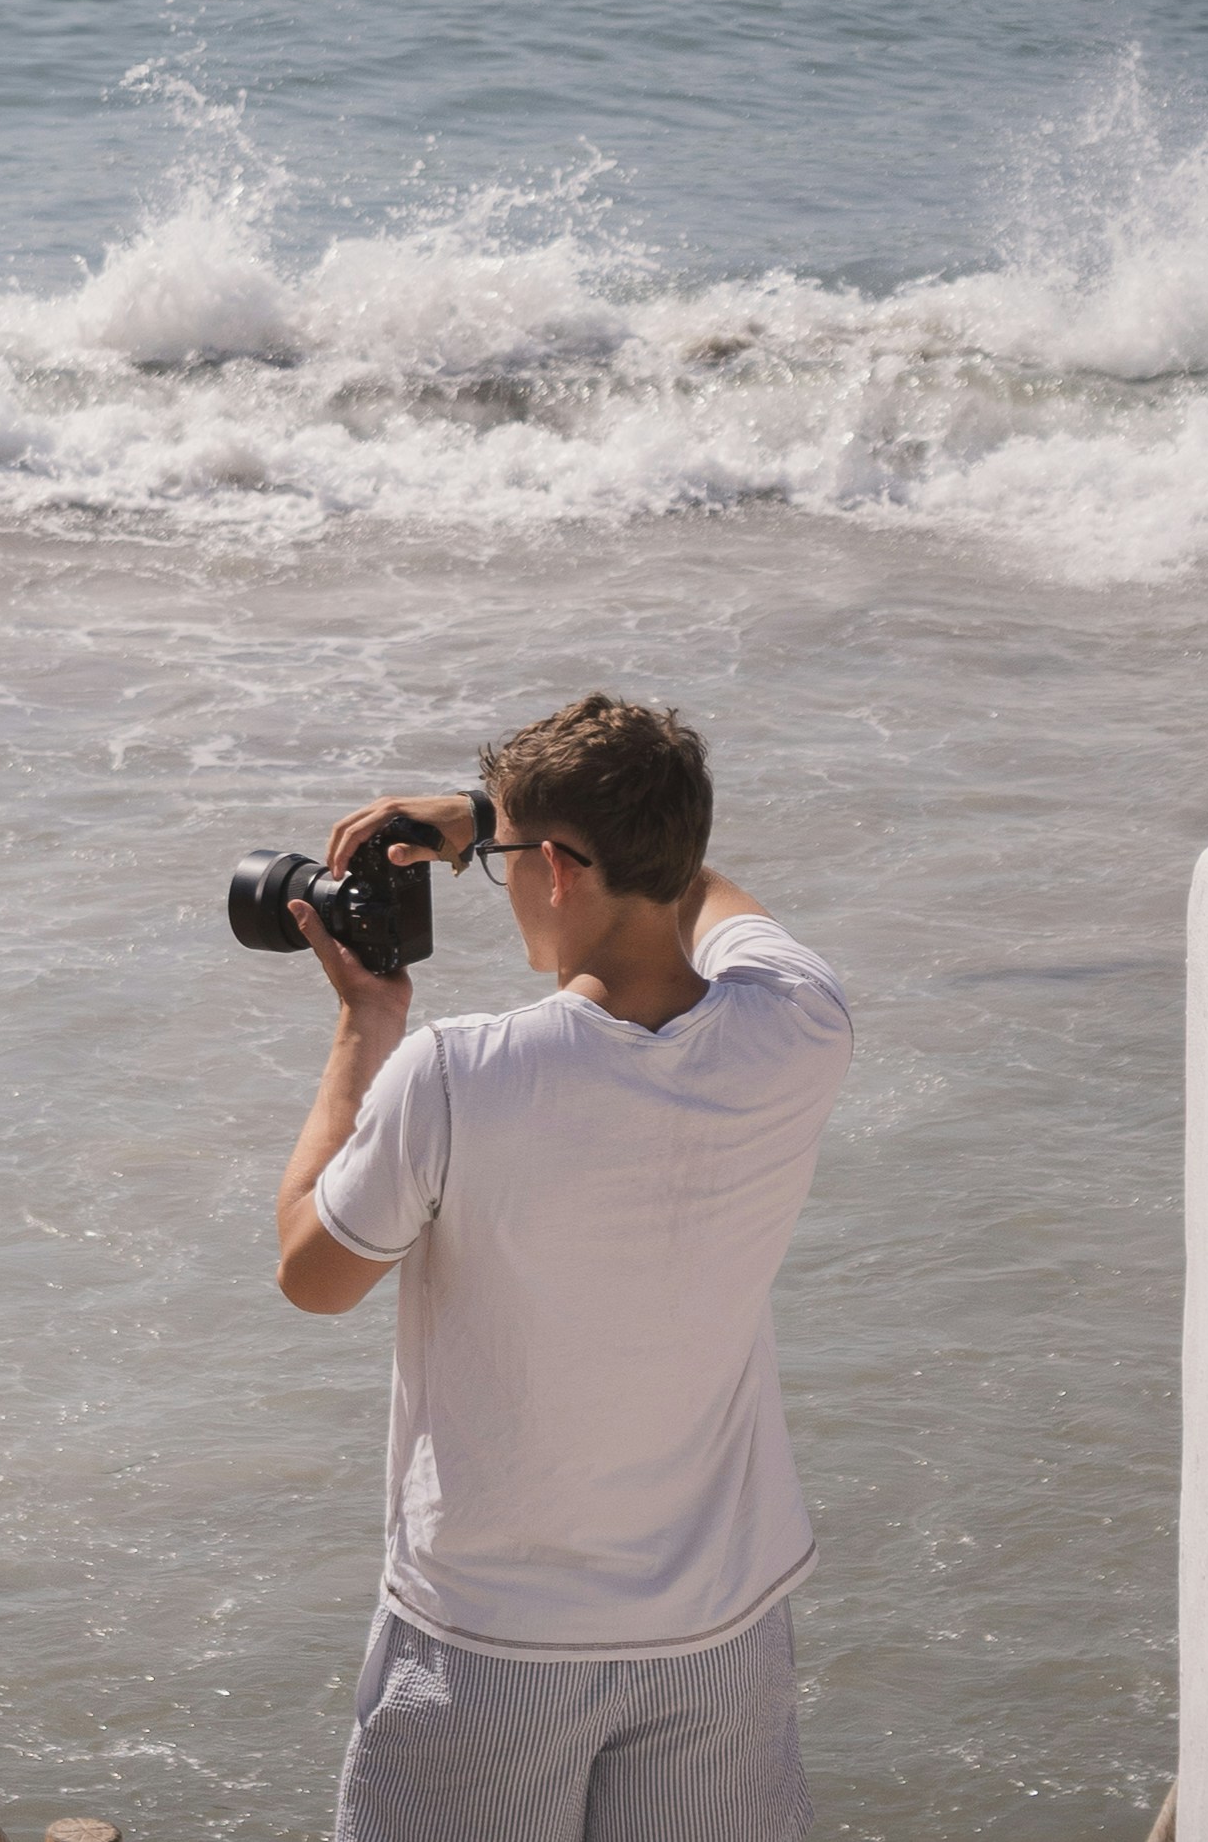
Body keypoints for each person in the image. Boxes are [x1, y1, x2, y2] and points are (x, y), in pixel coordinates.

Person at [269, 693, 851, 1842]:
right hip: (720, 1635)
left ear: (553, 870)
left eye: (495, 863)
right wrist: (504, 819)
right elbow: (703, 888)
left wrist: (361, 1027)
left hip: (491, 1645)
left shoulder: (456, 1074)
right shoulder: (802, 1022)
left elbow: (311, 1271)